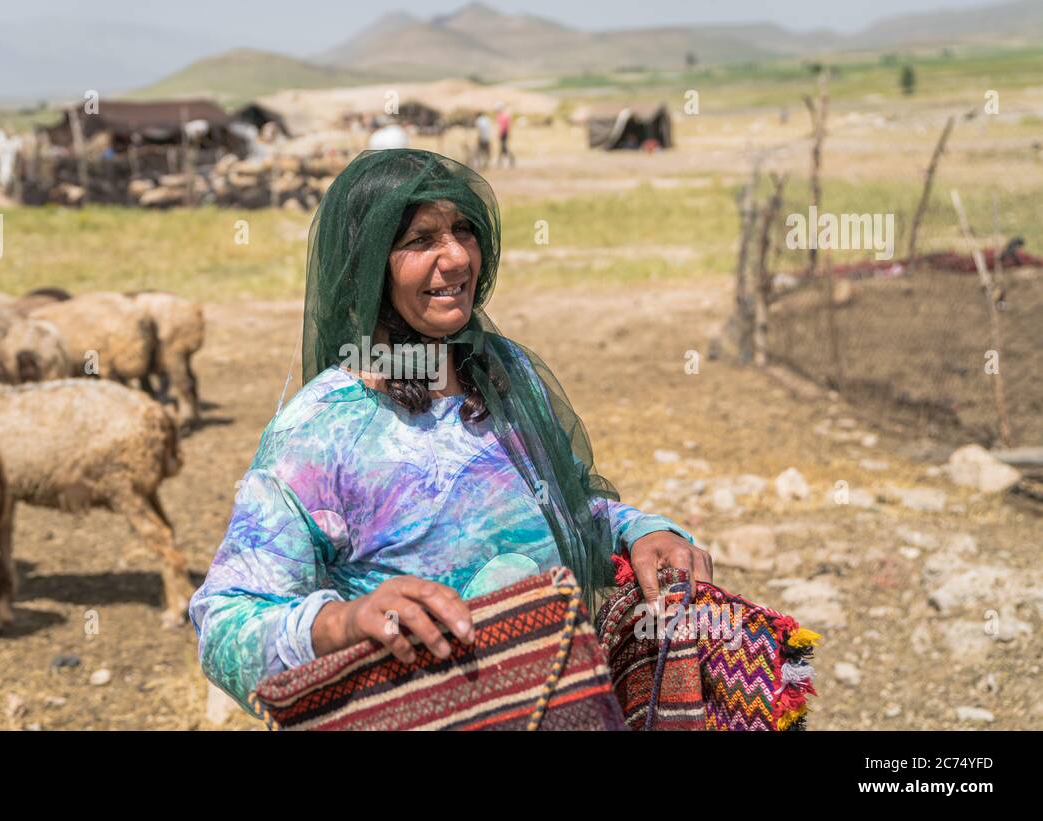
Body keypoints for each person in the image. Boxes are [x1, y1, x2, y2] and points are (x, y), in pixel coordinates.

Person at [188, 149, 711, 712]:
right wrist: (343, 622)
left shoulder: (503, 373)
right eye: (420, 240)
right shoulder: (320, 432)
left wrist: (641, 531)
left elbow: (566, 506)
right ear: (366, 265)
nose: (458, 257)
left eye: (464, 230)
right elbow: (225, 622)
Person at [495, 103, 514, 168]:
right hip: (505, 134)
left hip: (503, 134)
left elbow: (502, 127)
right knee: (503, 148)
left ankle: (503, 161)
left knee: (504, 147)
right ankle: (500, 162)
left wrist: (499, 134)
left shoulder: (502, 116)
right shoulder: (504, 116)